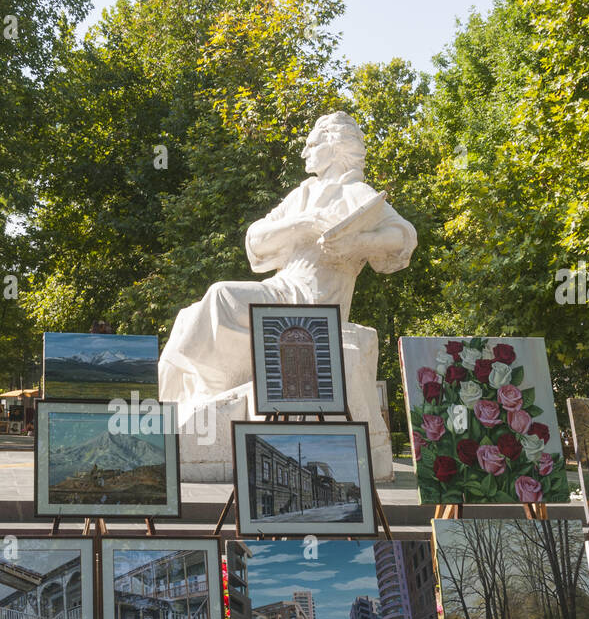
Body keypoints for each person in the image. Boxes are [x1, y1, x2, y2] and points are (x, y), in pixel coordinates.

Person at [158, 111, 417, 404]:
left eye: (312, 144)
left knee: (221, 296)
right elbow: (255, 237)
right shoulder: (302, 194)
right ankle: (181, 408)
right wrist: (302, 222)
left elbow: (404, 235)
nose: (304, 152)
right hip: (283, 287)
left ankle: (218, 390)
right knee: (187, 317)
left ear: (334, 147)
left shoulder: (357, 193)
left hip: (317, 299)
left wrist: (359, 242)